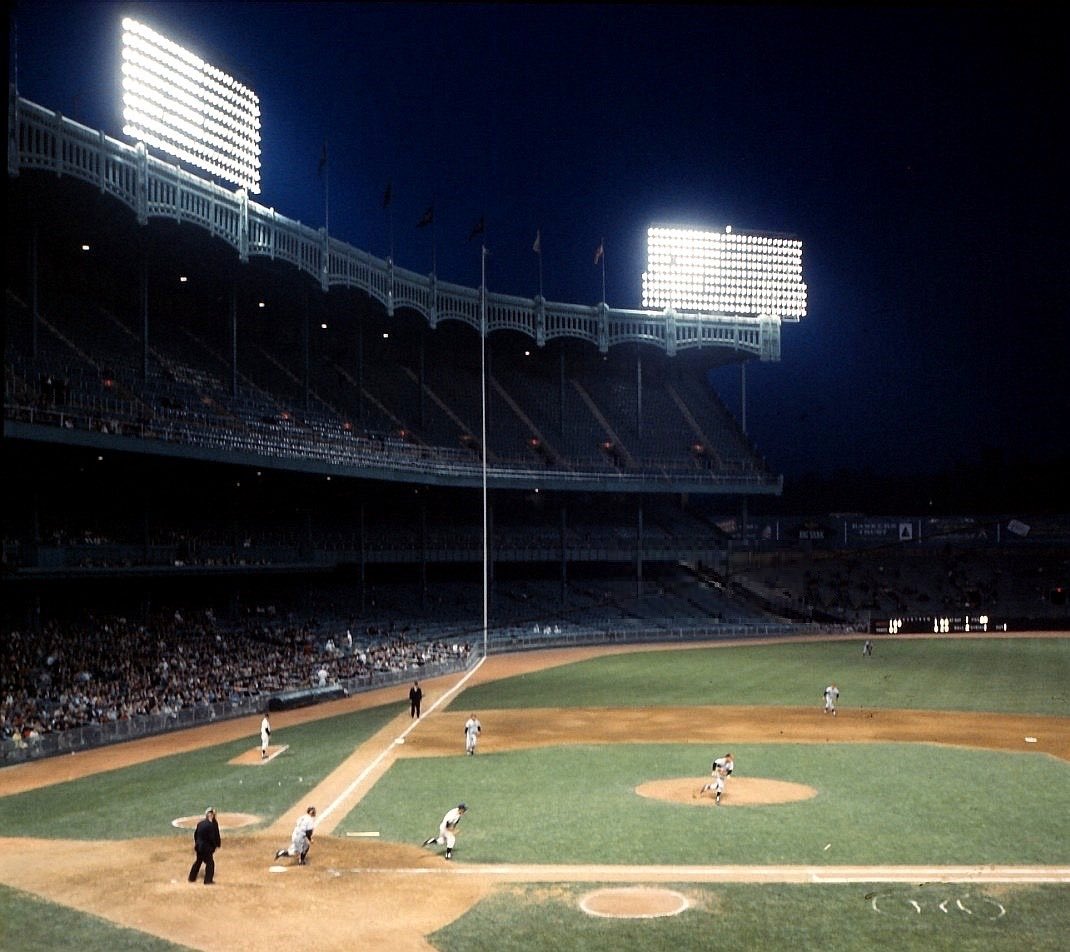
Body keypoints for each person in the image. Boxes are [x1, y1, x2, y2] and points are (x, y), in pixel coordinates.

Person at [188, 807, 221, 884]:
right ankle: (208, 880)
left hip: (199, 847)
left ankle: (191, 878)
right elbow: (212, 838)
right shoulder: (210, 825)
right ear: (212, 815)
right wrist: (215, 846)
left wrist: (197, 843)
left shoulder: (200, 823)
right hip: (206, 848)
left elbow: (195, 835)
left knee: (198, 861)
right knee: (210, 863)